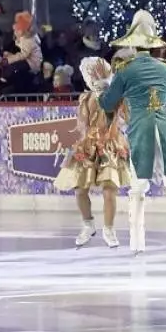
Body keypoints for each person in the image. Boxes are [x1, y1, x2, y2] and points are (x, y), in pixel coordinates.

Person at [97, 10, 166, 255]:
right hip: (164, 125)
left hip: (141, 128)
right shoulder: (165, 69)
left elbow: (107, 104)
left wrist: (101, 91)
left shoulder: (125, 71)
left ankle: (137, 243)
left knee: (138, 186)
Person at [55, 57, 134, 249]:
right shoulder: (86, 98)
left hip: (110, 143)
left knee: (109, 189)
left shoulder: (117, 95)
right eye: (92, 73)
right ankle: (88, 224)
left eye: (97, 72)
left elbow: (127, 117)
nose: (95, 76)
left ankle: (109, 229)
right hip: (89, 143)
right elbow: (82, 124)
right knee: (80, 189)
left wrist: (115, 96)